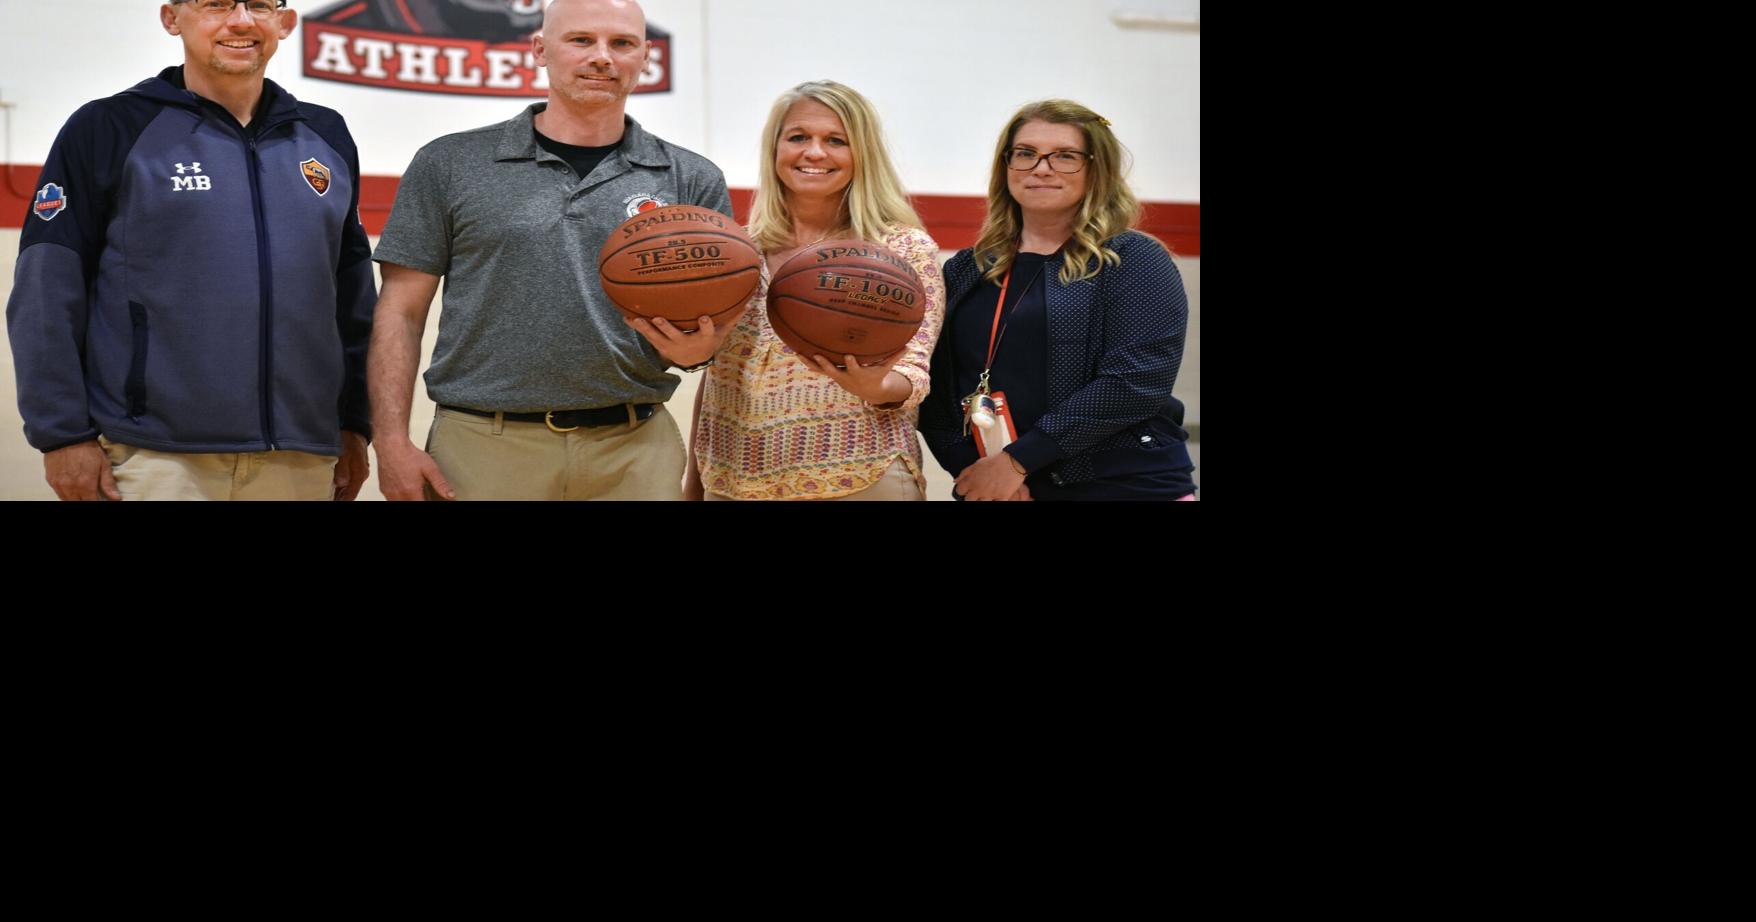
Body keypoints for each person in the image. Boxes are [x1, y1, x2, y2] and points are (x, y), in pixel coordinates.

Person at [6, 0, 376, 501]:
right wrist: (61, 434)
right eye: (216, 4)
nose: (241, 21)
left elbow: (352, 300)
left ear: (285, 23)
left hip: (301, 456)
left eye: (261, 5)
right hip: (153, 457)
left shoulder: (326, 135)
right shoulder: (107, 127)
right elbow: (46, 293)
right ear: (171, 18)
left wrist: (355, 424)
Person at [369, 0, 734, 501]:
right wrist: (389, 440)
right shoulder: (449, 162)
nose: (603, 57)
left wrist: (698, 352)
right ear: (540, 49)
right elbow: (401, 312)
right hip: (484, 444)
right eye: (581, 40)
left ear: (645, 56)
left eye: (622, 43)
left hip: (634, 446)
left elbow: (716, 316)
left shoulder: (691, 177)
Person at [919, 100, 1196, 501]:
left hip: (1123, 486)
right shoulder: (967, 269)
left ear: (1095, 169)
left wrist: (1016, 461)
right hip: (998, 489)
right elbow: (936, 388)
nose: (1042, 167)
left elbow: (1136, 381)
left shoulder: (1133, 259)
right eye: (1026, 154)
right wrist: (974, 470)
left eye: (1065, 156)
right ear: (1006, 166)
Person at [688, 80, 945, 501]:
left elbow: (913, 373)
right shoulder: (738, 252)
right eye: (798, 137)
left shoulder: (901, 250)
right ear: (775, 149)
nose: (814, 152)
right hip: (734, 479)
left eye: (836, 140)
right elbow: (718, 376)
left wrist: (876, 388)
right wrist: (694, 481)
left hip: (859, 475)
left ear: (862, 154)